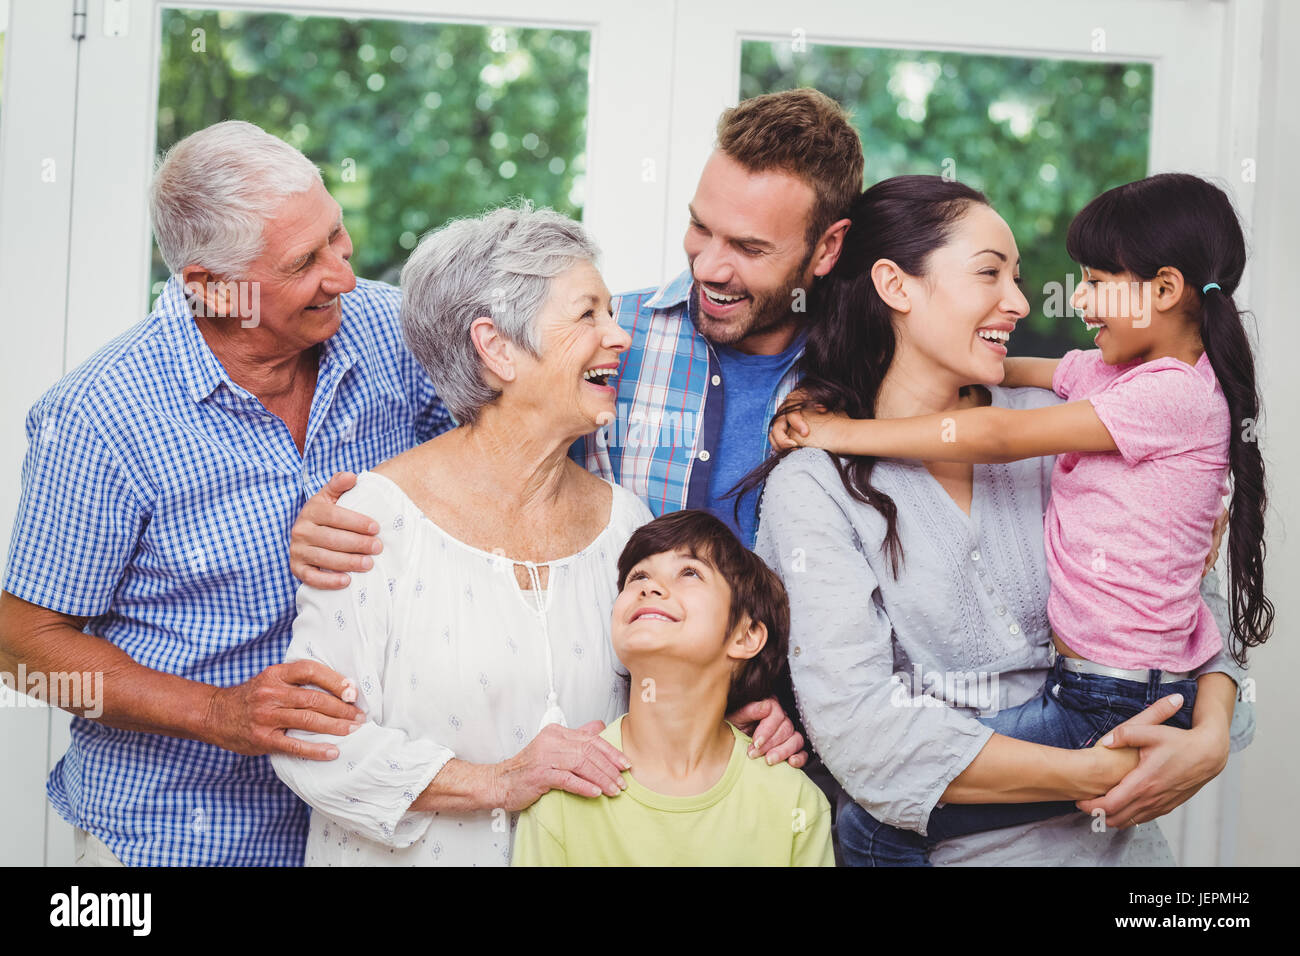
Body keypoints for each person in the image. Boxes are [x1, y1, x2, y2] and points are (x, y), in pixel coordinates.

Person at [269, 206, 801, 866]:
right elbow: (311, 741)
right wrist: (498, 781)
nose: (620, 336)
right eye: (588, 315)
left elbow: (652, 700)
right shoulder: (373, 521)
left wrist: (733, 722)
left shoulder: (626, 528)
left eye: (612, 312)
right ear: (497, 348)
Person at [768, 173, 1271, 864]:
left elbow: (1184, 601)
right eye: (989, 274)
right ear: (896, 286)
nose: (1022, 301)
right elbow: (860, 731)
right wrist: (1088, 774)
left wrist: (1209, 736)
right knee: (863, 829)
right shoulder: (814, 487)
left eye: (1019, 276)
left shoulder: (1060, 430)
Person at [0, 120, 452, 865]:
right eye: (305, 262)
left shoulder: (382, 327)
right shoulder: (99, 418)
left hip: (361, 826)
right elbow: (22, 648)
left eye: (336, 236)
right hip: (176, 837)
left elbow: (477, 469)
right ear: (214, 288)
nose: (342, 274)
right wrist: (220, 712)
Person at [290, 87, 862, 570]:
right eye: (699, 226)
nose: (708, 266)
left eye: (750, 247)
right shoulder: (603, 341)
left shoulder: (864, 371)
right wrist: (348, 516)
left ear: (827, 246)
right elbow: (476, 449)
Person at [512, 510, 834, 866]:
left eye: (690, 572)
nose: (648, 587)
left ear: (746, 635)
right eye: (638, 577)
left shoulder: (795, 804)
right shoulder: (565, 792)